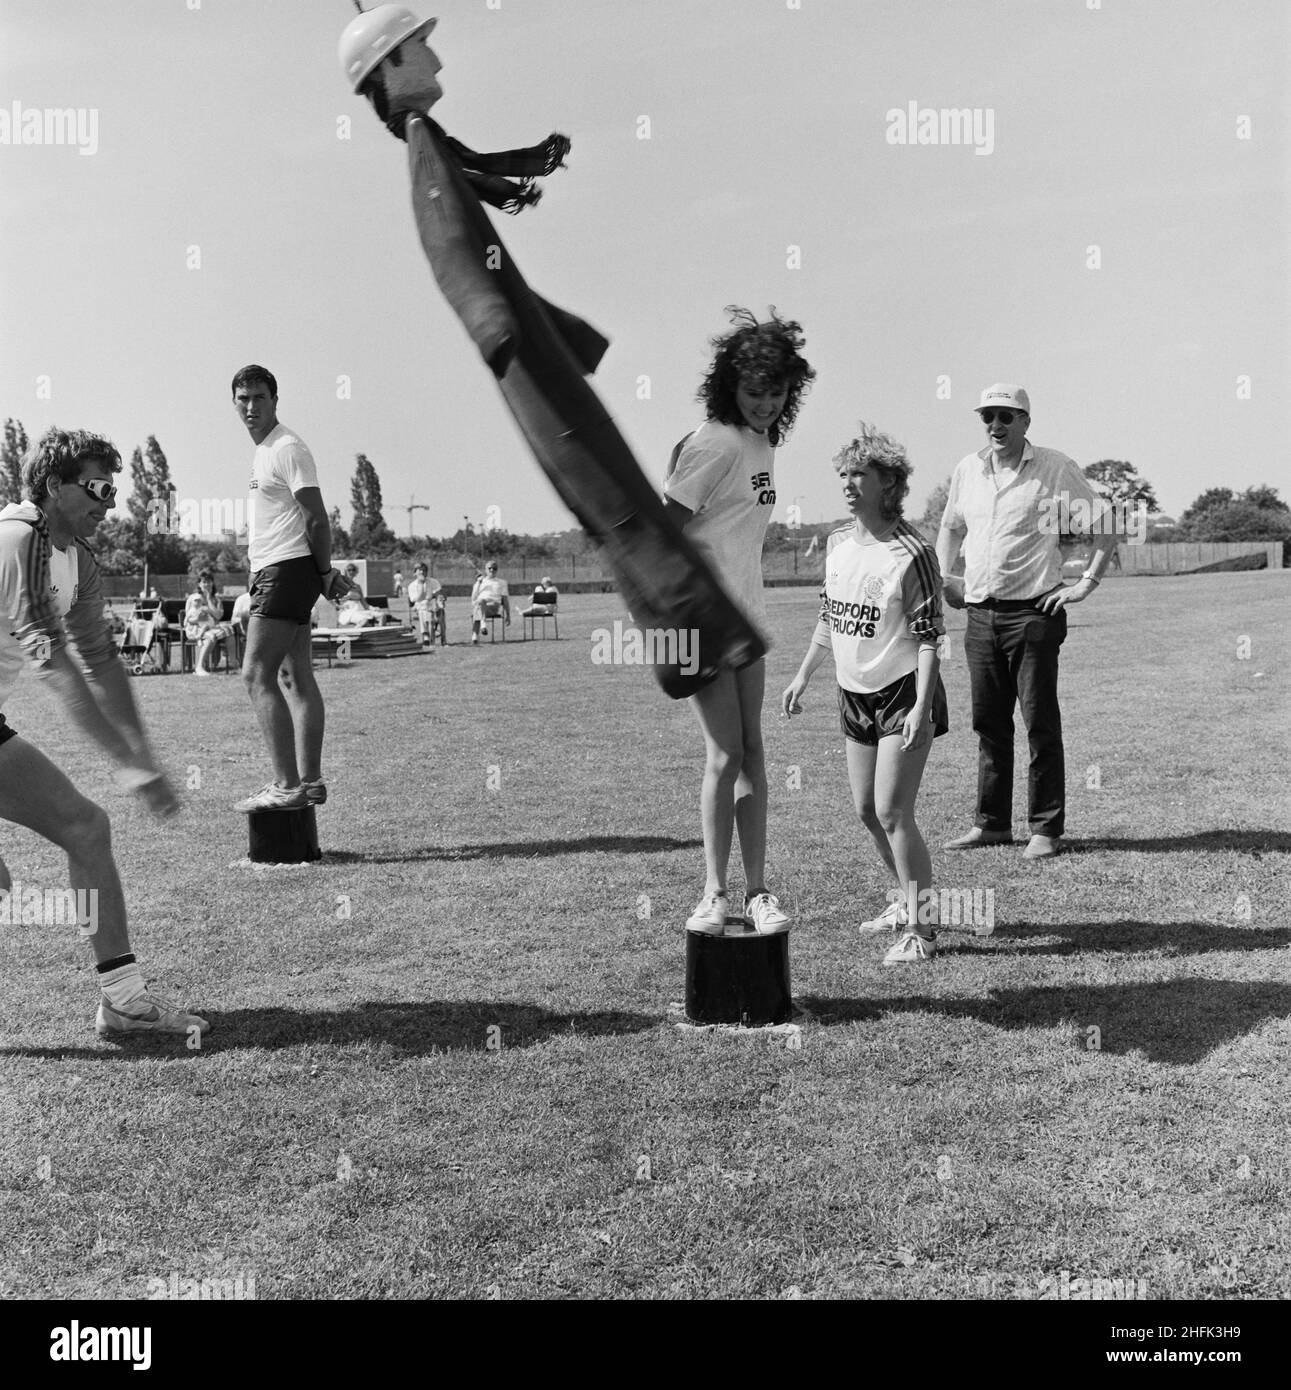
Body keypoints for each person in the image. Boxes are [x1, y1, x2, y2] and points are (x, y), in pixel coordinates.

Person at [0, 428, 207, 1038]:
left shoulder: (79, 558)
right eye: (96, 488)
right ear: (55, 486)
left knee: (86, 827)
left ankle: (122, 1002)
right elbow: (53, 662)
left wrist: (141, 756)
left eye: (113, 489)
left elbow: (101, 660)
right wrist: (127, 762)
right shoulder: (18, 539)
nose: (108, 501)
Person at [662, 306, 815, 936]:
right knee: (725, 755)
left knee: (753, 752)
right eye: (753, 392)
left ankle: (757, 893)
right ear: (730, 384)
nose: (764, 403)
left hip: (746, 617)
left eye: (776, 393)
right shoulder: (713, 443)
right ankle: (713, 894)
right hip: (701, 620)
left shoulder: (763, 442)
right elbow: (661, 531)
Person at [783, 424, 949, 964]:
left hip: (904, 693)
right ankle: (904, 903)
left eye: (860, 474)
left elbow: (929, 638)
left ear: (889, 483)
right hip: (853, 694)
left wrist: (922, 708)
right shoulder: (835, 543)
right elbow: (831, 617)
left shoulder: (913, 552)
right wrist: (804, 673)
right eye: (845, 474)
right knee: (865, 811)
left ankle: (922, 932)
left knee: (894, 810)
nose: (849, 483)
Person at [937, 384, 1118, 860]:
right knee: (988, 725)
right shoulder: (967, 469)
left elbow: (1107, 523)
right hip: (980, 616)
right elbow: (951, 526)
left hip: (1034, 615)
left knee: (1039, 723)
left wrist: (1085, 584)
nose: (995, 425)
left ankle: (1045, 829)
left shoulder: (1055, 467)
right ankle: (992, 824)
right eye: (988, 416)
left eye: (1005, 416)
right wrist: (944, 578)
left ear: (1025, 422)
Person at [232, 364, 353, 812]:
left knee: (255, 674)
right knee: (295, 675)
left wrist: (323, 573)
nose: (250, 407)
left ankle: (286, 786)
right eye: (242, 399)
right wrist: (318, 574)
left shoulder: (287, 447)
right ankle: (311, 781)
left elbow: (317, 518)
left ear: (275, 400)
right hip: (283, 570)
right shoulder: (265, 451)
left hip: (284, 571)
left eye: (258, 398)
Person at [184, 569, 232, 674]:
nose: (207, 584)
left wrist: (209, 599)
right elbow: (189, 619)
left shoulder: (216, 599)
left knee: (229, 631)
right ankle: (199, 667)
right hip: (195, 630)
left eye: (209, 581)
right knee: (211, 636)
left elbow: (218, 616)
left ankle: (234, 663)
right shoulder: (194, 598)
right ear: (199, 584)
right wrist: (198, 618)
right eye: (204, 582)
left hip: (211, 627)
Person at [470, 560, 510, 643]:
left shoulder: (502, 582)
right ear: (486, 570)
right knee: (479, 604)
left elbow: (505, 600)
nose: (492, 570)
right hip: (480, 605)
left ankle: (475, 635)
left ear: (497, 570)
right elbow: (473, 598)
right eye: (489, 568)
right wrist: (478, 583)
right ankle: (482, 625)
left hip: (493, 606)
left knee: (478, 607)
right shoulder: (480, 581)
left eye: (494, 568)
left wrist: (508, 615)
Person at [406, 561, 443, 646]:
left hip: (433, 605)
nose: (422, 572)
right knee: (424, 608)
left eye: (424, 570)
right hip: (419, 606)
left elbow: (439, 593)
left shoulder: (433, 581)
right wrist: (421, 586)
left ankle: (426, 634)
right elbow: (414, 600)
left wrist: (431, 595)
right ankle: (428, 633)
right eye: (420, 570)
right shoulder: (411, 586)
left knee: (428, 607)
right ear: (415, 573)